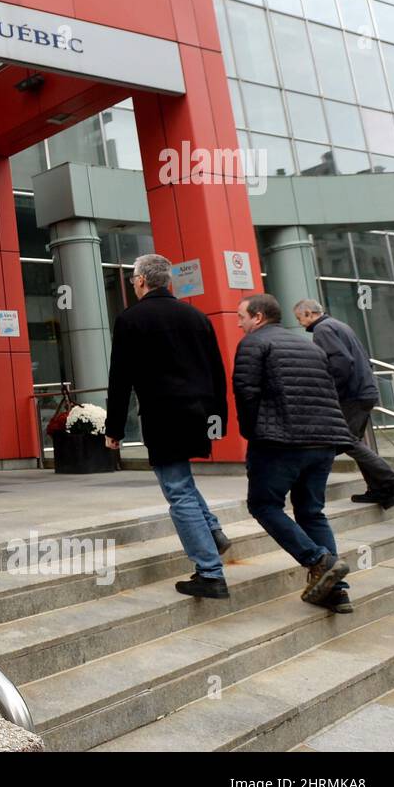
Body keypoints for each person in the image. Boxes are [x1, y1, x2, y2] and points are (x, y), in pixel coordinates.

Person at [106, 254, 233, 599]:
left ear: (143, 281)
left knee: (176, 489)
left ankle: (210, 573)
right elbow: (217, 373)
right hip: (199, 415)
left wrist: (113, 428)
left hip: (165, 418)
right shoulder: (196, 317)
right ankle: (214, 532)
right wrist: (217, 421)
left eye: (133, 279)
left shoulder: (130, 320)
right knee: (182, 480)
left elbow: (120, 380)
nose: (133, 284)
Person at [234, 294, 356, 613]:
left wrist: (252, 433)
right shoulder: (309, 344)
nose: (238, 322)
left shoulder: (253, 343)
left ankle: (318, 560)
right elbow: (330, 387)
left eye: (241, 316)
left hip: (280, 442)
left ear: (258, 317)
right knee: (311, 511)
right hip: (323, 441)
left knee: (264, 504)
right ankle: (336, 590)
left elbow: (246, 392)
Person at [293, 299, 394, 510]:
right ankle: (380, 488)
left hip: (352, 395)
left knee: (346, 441)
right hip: (363, 391)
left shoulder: (323, 329)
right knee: (352, 441)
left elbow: (341, 362)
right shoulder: (340, 325)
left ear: (309, 313)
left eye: (299, 318)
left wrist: (331, 392)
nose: (300, 323)